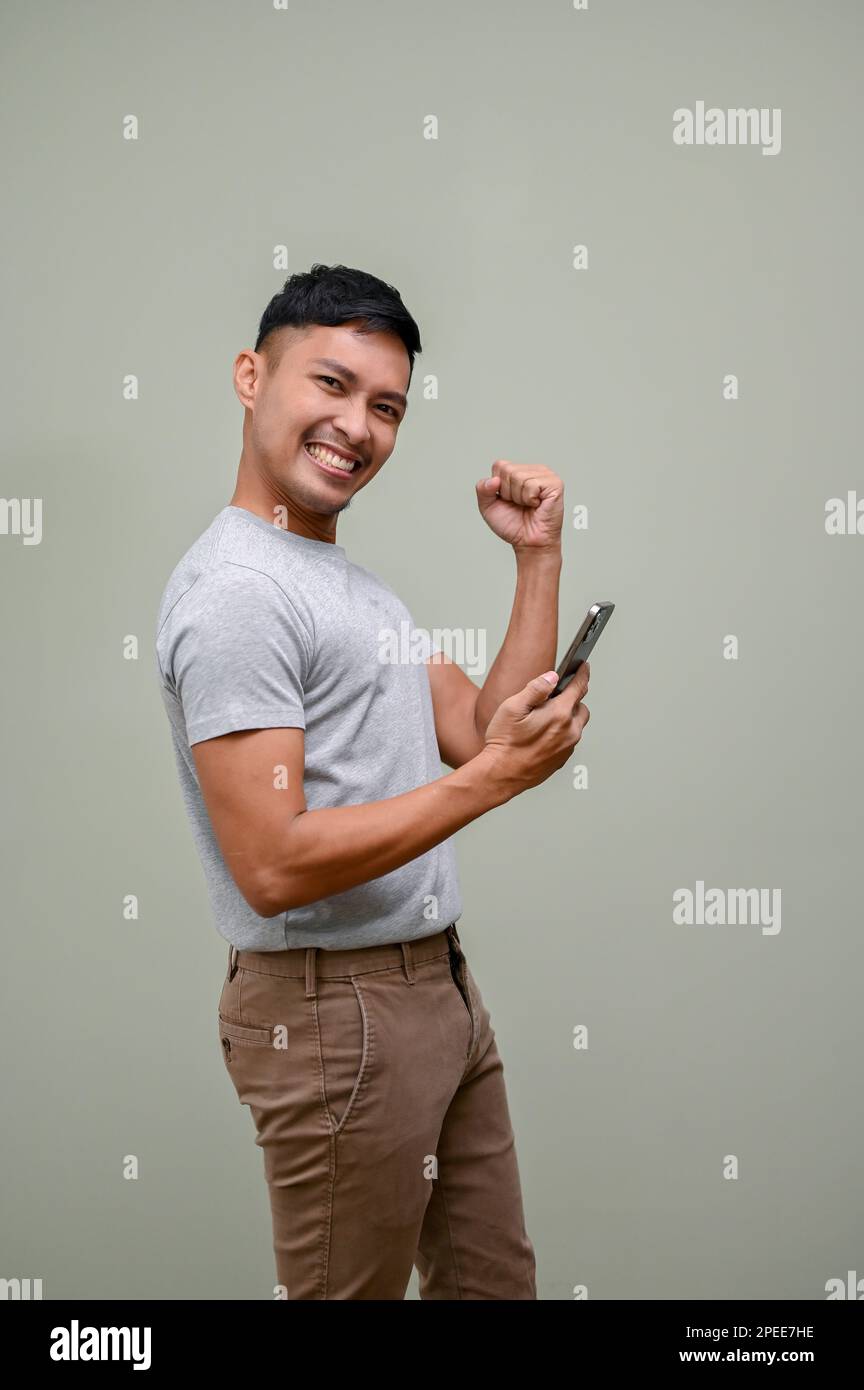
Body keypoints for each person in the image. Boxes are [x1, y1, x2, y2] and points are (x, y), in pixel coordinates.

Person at [154, 262, 591, 1299]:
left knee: (491, 1288)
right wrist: (492, 782)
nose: (358, 425)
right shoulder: (239, 595)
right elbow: (270, 862)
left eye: (385, 406)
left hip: (433, 988)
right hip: (335, 1013)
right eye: (331, 384)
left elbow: (481, 726)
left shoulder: (343, 580)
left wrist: (536, 559)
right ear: (252, 376)